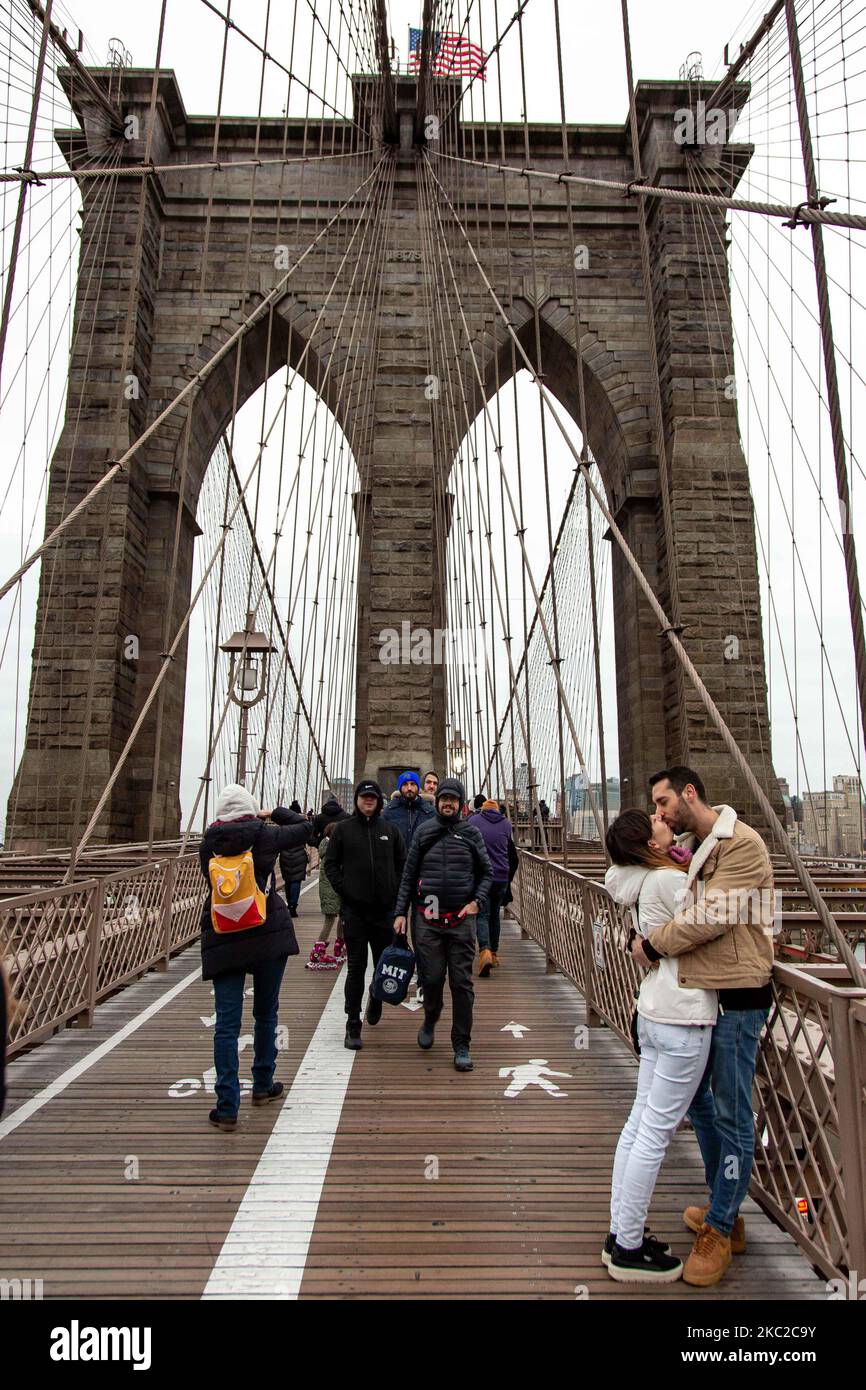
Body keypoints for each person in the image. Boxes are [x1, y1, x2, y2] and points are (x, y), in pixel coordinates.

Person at [632, 766, 774, 1288]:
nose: (659, 813)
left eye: (664, 801)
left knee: (734, 1111)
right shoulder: (692, 848)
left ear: (690, 792)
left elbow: (715, 915)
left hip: (740, 994)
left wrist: (651, 945)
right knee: (702, 1103)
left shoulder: (742, 845)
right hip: (708, 995)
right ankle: (725, 1206)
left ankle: (720, 1226)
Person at [602, 808, 717, 1284]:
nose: (662, 817)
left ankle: (621, 1234)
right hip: (683, 1015)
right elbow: (719, 920)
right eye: (654, 821)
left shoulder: (639, 882)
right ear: (650, 845)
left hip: (654, 1011)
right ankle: (628, 1248)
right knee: (654, 1134)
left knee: (638, 1127)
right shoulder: (668, 883)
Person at [199, 784, 311, 1131]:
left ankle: (227, 1105)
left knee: (226, 1025)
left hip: (224, 935)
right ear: (250, 809)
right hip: (266, 934)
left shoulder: (207, 843)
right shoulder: (264, 835)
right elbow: (308, 827)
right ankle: (263, 1085)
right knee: (266, 1012)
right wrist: (273, 813)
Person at [394, 777, 491, 1073]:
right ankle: (431, 1016)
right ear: (437, 802)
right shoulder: (424, 832)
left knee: (461, 983)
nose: (447, 803)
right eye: (443, 798)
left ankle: (462, 1044)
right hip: (428, 918)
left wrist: (478, 901)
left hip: (461, 919)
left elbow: (487, 873)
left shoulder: (472, 834)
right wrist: (400, 912)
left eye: (453, 799)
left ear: (461, 804)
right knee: (432, 977)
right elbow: (408, 876)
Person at [326, 779, 407, 1050]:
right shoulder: (343, 831)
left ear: (379, 801)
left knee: (382, 965)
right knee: (356, 968)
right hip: (356, 913)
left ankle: (376, 995)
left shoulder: (391, 831)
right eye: (364, 797)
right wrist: (346, 890)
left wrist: (395, 896)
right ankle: (352, 1023)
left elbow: (402, 865)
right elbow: (331, 865)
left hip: (384, 912)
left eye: (373, 797)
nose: (368, 801)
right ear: (357, 800)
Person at [467, 798, 516, 976]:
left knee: (482, 914)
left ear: (482, 809)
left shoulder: (473, 821)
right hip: (502, 877)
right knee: (495, 914)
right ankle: (494, 954)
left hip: (481, 876)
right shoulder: (506, 824)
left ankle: (484, 951)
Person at [307, 820, 345, 970]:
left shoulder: (325, 848)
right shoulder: (334, 851)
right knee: (330, 920)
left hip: (332, 890)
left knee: (342, 917)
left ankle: (338, 947)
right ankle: (318, 953)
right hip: (333, 891)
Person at [383, 770, 434, 849]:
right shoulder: (389, 812)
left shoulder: (430, 812)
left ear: (418, 786)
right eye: (405, 784)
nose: (409, 788)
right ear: (400, 788)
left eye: (413, 784)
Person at [278, 804, 311, 918]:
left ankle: (289, 904)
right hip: (299, 855)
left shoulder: (284, 824)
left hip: (285, 854)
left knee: (288, 880)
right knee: (296, 881)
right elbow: (309, 838)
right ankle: (293, 906)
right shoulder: (302, 824)